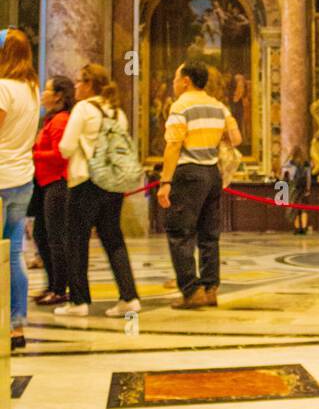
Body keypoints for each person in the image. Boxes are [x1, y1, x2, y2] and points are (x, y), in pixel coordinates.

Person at [57, 64, 140, 318]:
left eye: (80, 81)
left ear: (90, 84)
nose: (76, 86)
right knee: (113, 238)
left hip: (85, 181)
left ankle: (79, 301)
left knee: (76, 240)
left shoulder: (83, 109)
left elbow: (66, 147)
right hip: (112, 183)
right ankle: (129, 297)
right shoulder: (117, 112)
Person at [157, 61, 241, 309]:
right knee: (209, 235)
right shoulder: (218, 106)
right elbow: (236, 138)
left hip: (188, 173)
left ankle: (191, 291)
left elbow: (173, 145)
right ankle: (210, 288)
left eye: (175, 78)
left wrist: (165, 182)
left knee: (180, 233)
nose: (173, 83)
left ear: (186, 81)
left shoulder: (180, 106)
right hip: (212, 174)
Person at [0, 29, 40, 349]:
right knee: (13, 255)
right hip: (22, 179)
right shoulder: (32, 88)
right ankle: (16, 326)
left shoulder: (2, 88)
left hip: (0, 178)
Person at [31, 75, 75, 306]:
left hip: (57, 184)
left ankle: (60, 289)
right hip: (46, 183)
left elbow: (60, 155)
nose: (43, 93)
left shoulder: (59, 120)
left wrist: (33, 154)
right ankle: (52, 284)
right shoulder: (50, 119)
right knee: (41, 234)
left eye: (47, 89)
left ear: (58, 95)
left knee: (55, 238)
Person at [282, 146, 312, 234]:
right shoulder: (306, 163)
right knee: (303, 209)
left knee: (294, 208)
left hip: (293, 188)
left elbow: (286, 176)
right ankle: (304, 227)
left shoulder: (290, 163)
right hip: (303, 188)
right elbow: (308, 177)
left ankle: (297, 228)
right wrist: (308, 188)